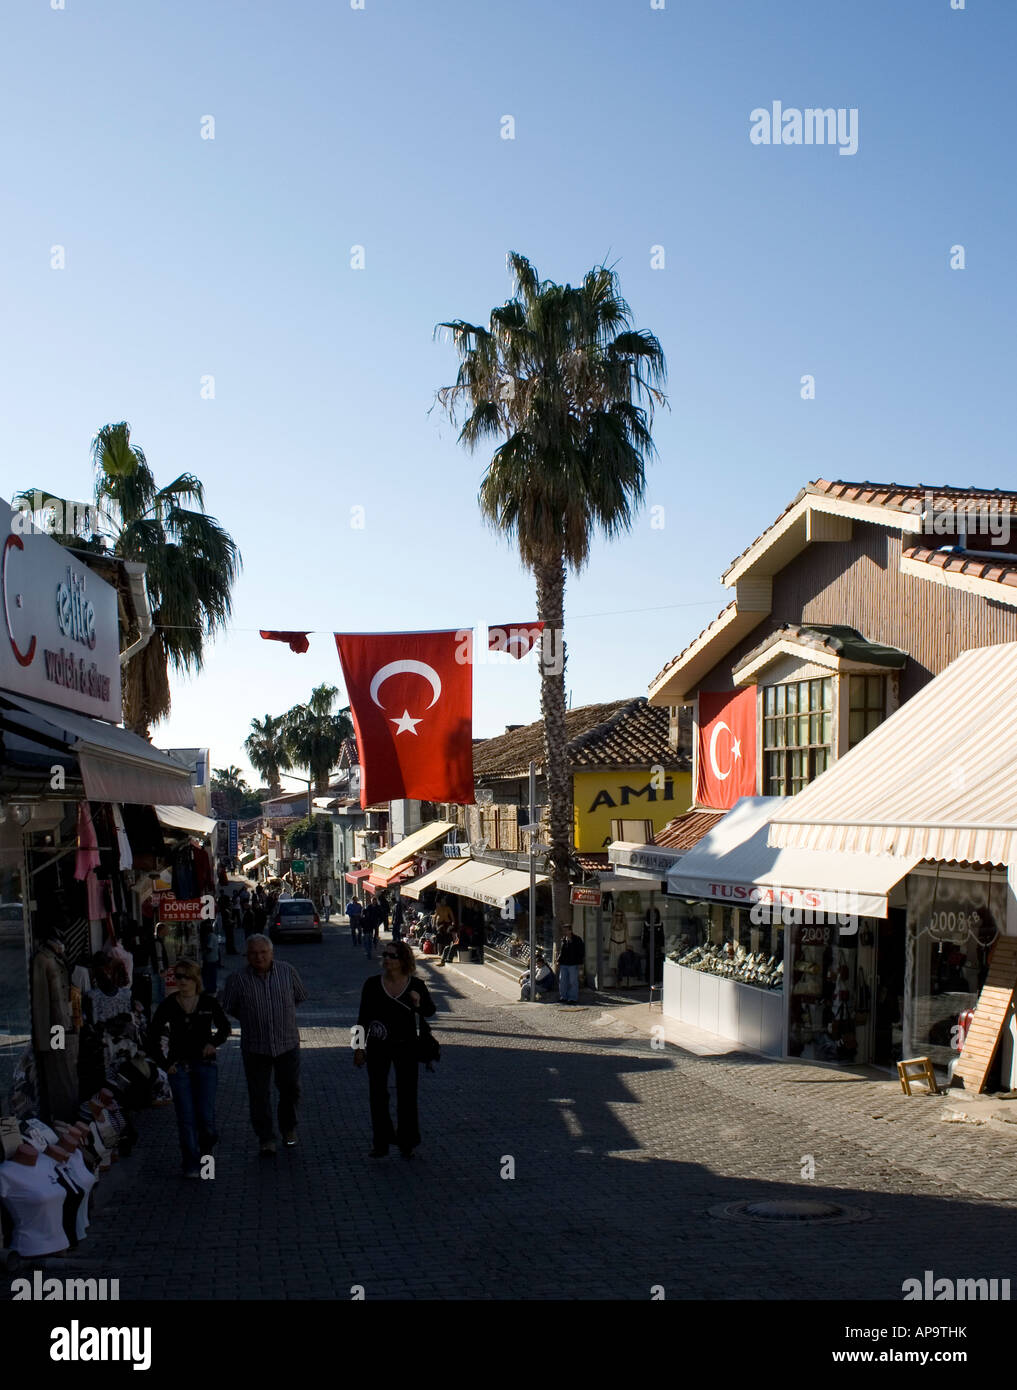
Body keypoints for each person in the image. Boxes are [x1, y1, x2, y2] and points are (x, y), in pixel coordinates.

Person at [220, 935, 307, 1155]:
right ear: (247, 955)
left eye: (263, 952)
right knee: (259, 1094)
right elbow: (229, 1006)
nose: (259, 957)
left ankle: (288, 1129)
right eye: (253, 953)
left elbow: (298, 997)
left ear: (271, 953)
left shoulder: (288, 972)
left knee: (290, 1089)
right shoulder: (237, 979)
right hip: (255, 1046)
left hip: (286, 1042)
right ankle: (266, 1137)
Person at [147, 958, 231, 1178]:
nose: (181, 981)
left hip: (205, 1066)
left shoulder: (207, 1003)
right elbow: (152, 1037)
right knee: (186, 1117)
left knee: (206, 1117)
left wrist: (213, 1043)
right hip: (179, 1068)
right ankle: (192, 1163)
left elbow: (225, 1027)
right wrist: (166, 1064)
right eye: (178, 976)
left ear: (195, 979)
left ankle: (206, 1151)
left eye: (186, 976)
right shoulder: (169, 1005)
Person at [354, 941, 436, 1159]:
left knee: (407, 1095)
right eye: (385, 955)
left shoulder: (415, 985)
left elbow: (429, 1011)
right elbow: (362, 1018)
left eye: (392, 956)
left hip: (406, 1046)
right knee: (378, 1095)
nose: (387, 959)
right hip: (378, 1046)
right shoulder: (372, 985)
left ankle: (407, 1141)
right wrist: (358, 1048)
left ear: (403, 961)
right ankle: (381, 1142)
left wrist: (417, 1003)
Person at [555, 922, 585, 1004]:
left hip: (573, 964)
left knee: (573, 981)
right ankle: (563, 996)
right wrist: (558, 961)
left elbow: (581, 951)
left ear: (570, 931)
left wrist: (580, 962)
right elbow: (561, 952)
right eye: (563, 930)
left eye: (565, 930)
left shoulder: (577, 939)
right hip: (564, 964)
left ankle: (573, 998)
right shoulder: (563, 940)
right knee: (562, 981)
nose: (564, 932)